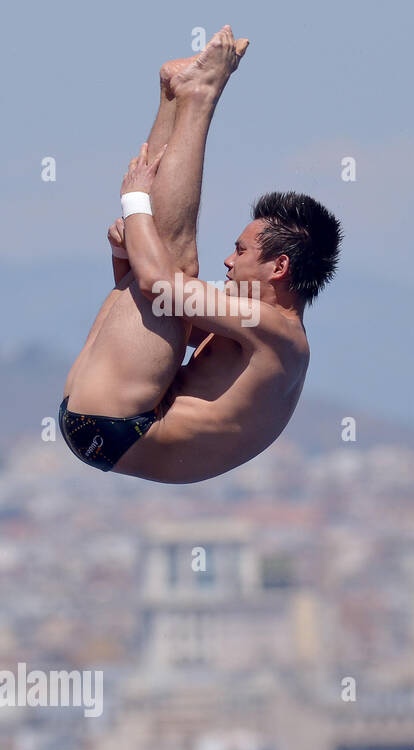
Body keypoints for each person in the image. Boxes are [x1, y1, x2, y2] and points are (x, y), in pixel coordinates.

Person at [59, 26, 343, 483]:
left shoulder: (278, 333)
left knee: (177, 268)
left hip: (118, 425)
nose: (228, 262)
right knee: (166, 275)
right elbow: (154, 308)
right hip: (103, 422)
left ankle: (199, 95)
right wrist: (124, 252)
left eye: (240, 250)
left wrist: (135, 202)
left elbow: (160, 286)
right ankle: (175, 96)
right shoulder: (248, 324)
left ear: (279, 267)